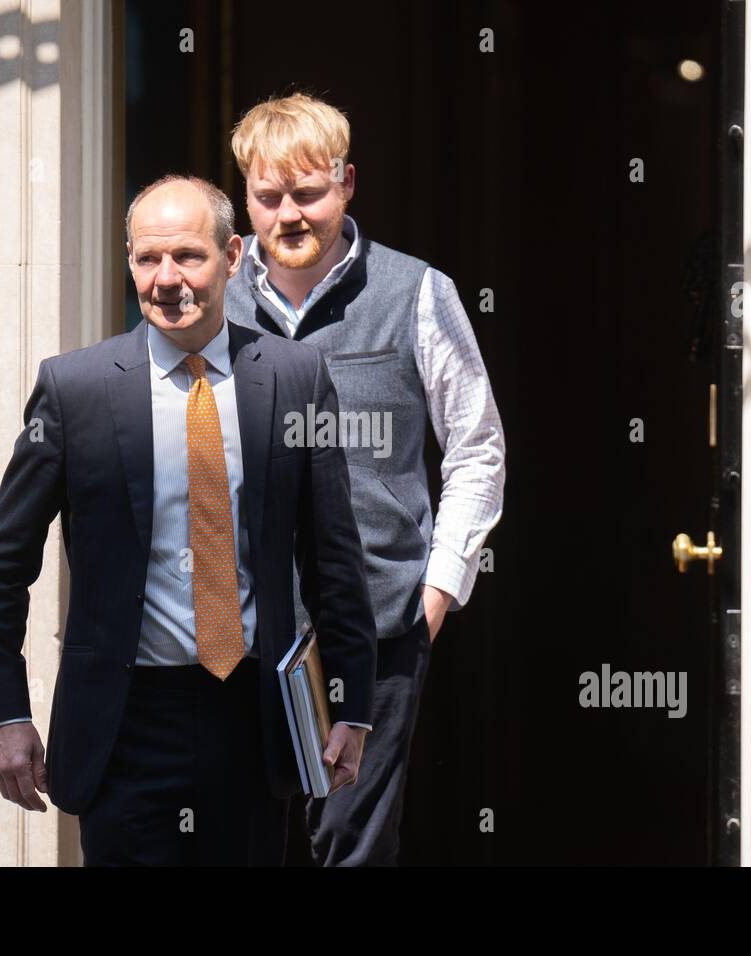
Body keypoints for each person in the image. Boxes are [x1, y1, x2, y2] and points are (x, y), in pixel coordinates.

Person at [0, 174, 378, 866]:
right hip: (123, 725)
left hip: (253, 721)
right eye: (146, 259)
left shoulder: (296, 378)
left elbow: (334, 559)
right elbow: (0, 571)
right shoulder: (77, 390)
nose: (166, 279)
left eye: (188, 256)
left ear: (234, 256)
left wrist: (353, 707)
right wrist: (6, 715)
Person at [225, 93, 507, 866]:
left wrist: (435, 596)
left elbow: (478, 449)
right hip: (237, 631)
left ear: (347, 183)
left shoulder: (417, 292)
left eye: (308, 193)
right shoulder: (211, 300)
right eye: (269, 196)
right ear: (246, 194)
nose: (289, 214)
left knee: (352, 846)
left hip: (379, 629)